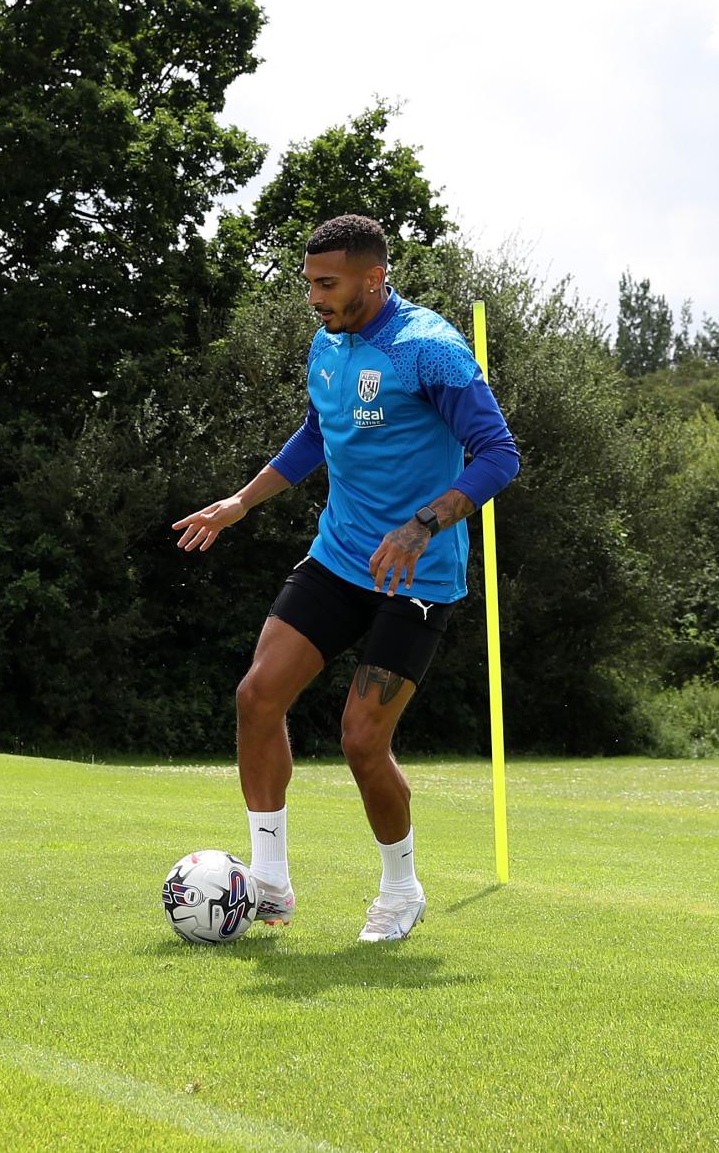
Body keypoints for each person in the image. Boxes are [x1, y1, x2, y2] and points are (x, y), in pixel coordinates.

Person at [173, 215, 520, 942]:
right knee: (257, 695)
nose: (314, 298)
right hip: (338, 558)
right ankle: (269, 882)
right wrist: (242, 500)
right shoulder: (326, 343)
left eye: (327, 285)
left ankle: (402, 888)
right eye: (309, 284)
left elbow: (497, 454)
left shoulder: (431, 350)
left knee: (362, 740)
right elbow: (316, 433)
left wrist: (423, 524)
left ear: (374, 277)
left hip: (417, 577)